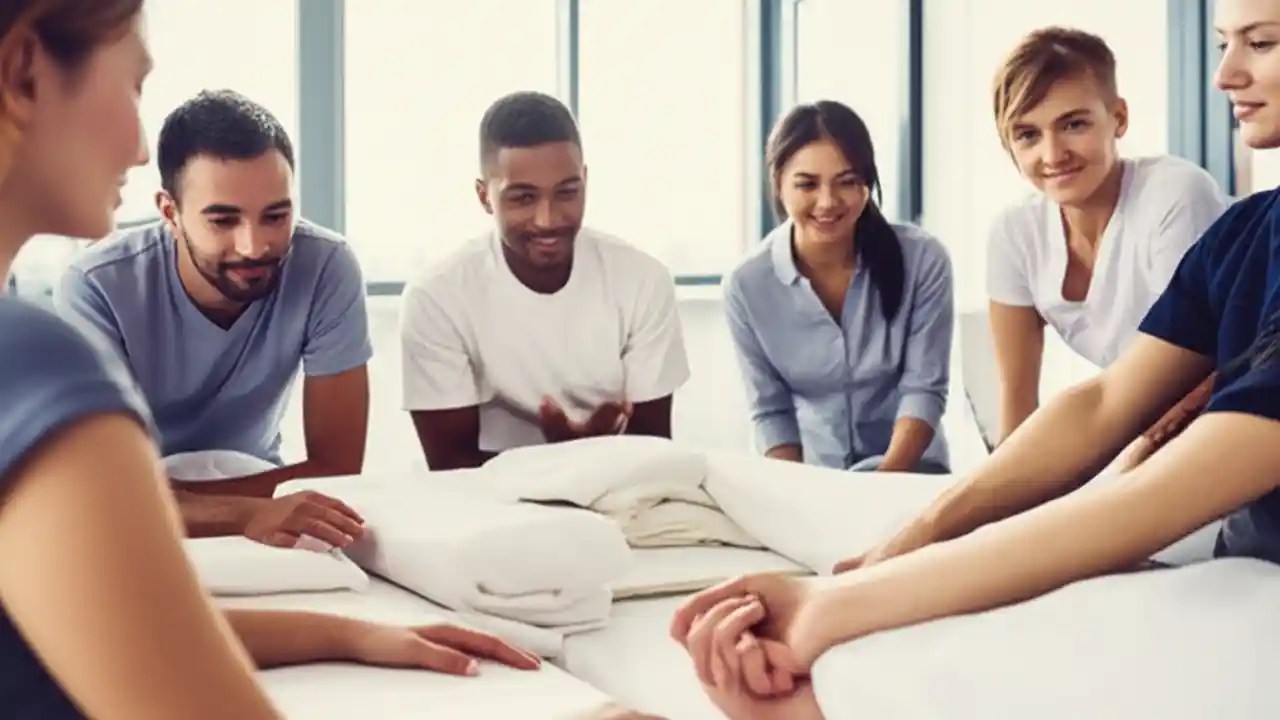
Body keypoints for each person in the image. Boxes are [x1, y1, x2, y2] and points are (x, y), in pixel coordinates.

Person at [669, 3, 1280, 717]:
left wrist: (831, 607)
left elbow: (1165, 486)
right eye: (1222, 43)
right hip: (1236, 554)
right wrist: (911, 541)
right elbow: (1102, 404)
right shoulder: (1248, 231)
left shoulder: (1176, 199)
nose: (1223, 74)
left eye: (1262, 42)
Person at [0, 3, 543, 718]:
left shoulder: (26, 351)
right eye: (132, 85)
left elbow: (96, 626)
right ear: (25, 74)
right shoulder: (39, 354)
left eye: (274, 215)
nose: (137, 146)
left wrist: (356, 637)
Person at [55, 88, 372, 549]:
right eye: (223, 221)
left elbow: (338, 468)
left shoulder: (327, 266)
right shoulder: (96, 284)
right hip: (150, 514)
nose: (254, 246)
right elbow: (99, 490)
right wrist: (244, 511)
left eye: (275, 216)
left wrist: (194, 503)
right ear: (170, 213)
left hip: (252, 490)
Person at [400, 91, 690, 470]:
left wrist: (573, 461)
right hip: (489, 496)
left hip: (615, 490)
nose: (547, 219)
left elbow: (652, 449)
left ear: (585, 181)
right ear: (484, 197)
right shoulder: (437, 297)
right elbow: (451, 465)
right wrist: (570, 460)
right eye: (523, 198)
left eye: (567, 192)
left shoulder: (643, 281)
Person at [985, 27, 1228, 465]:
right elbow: (1017, 410)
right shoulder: (1014, 234)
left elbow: (1190, 386)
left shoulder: (1174, 195)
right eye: (1027, 135)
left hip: (1234, 417)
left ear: (1118, 117)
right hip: (1150, 427)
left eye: (1074, 124)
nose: (1052, 154)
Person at [723, 101, 954, 473]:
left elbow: (923, 390)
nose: (828, 202)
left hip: (911, 472)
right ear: (778, 184)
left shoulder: (923, 260)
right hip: (815, 477)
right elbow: (771, 411)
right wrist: (795, 492)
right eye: (807, 184)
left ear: (867, 184)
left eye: (847, 181)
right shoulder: (746, 285)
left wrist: (880, 484)